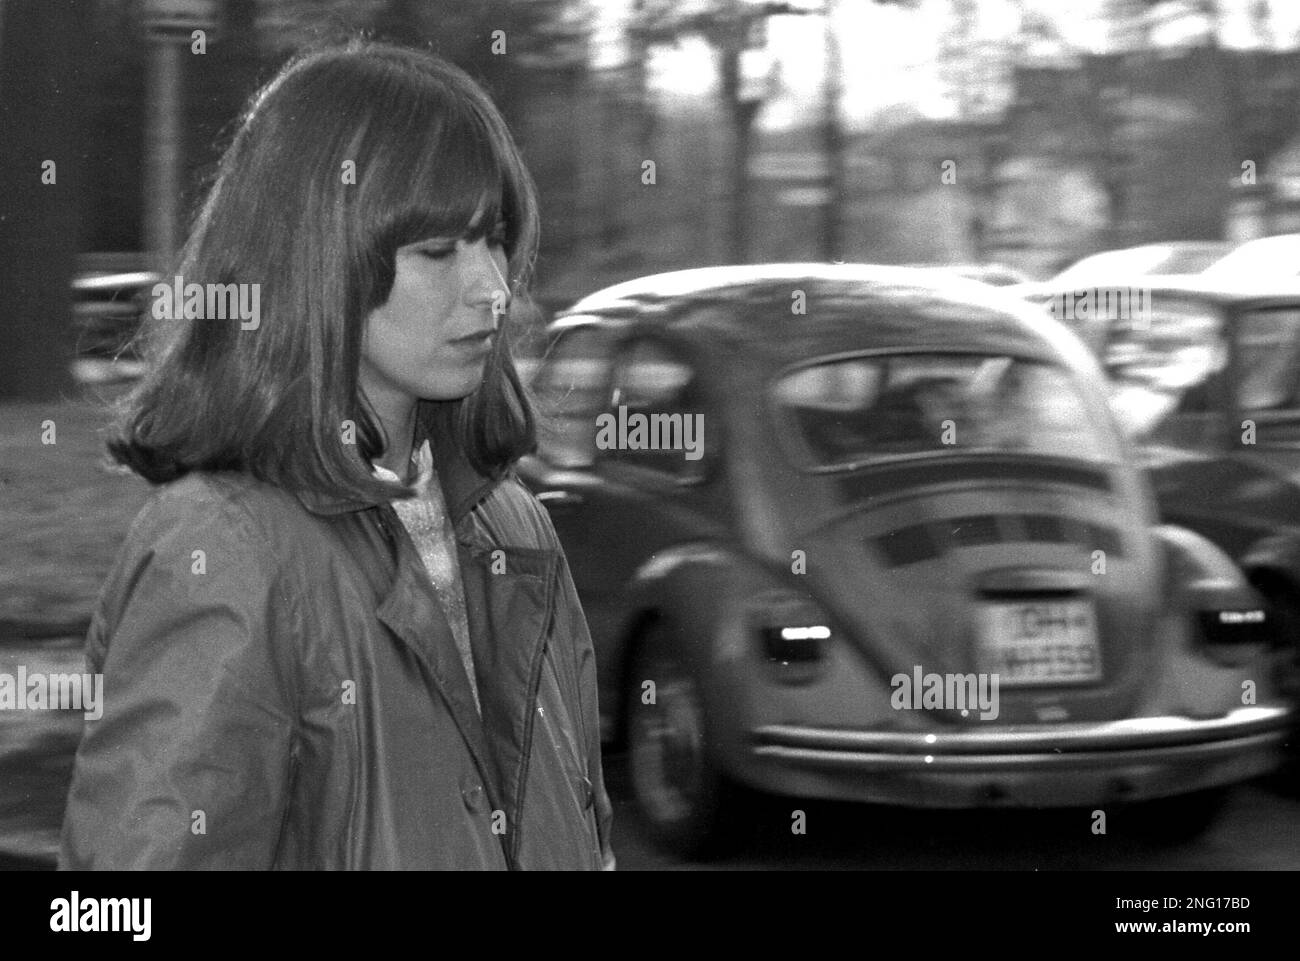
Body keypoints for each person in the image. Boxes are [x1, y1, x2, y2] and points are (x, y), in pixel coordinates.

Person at [59, 41, 615, 870]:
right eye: (437, 251)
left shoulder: (521, 530)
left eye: (495, 239)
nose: (493, 288)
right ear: (318, 260)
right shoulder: (223, 554)